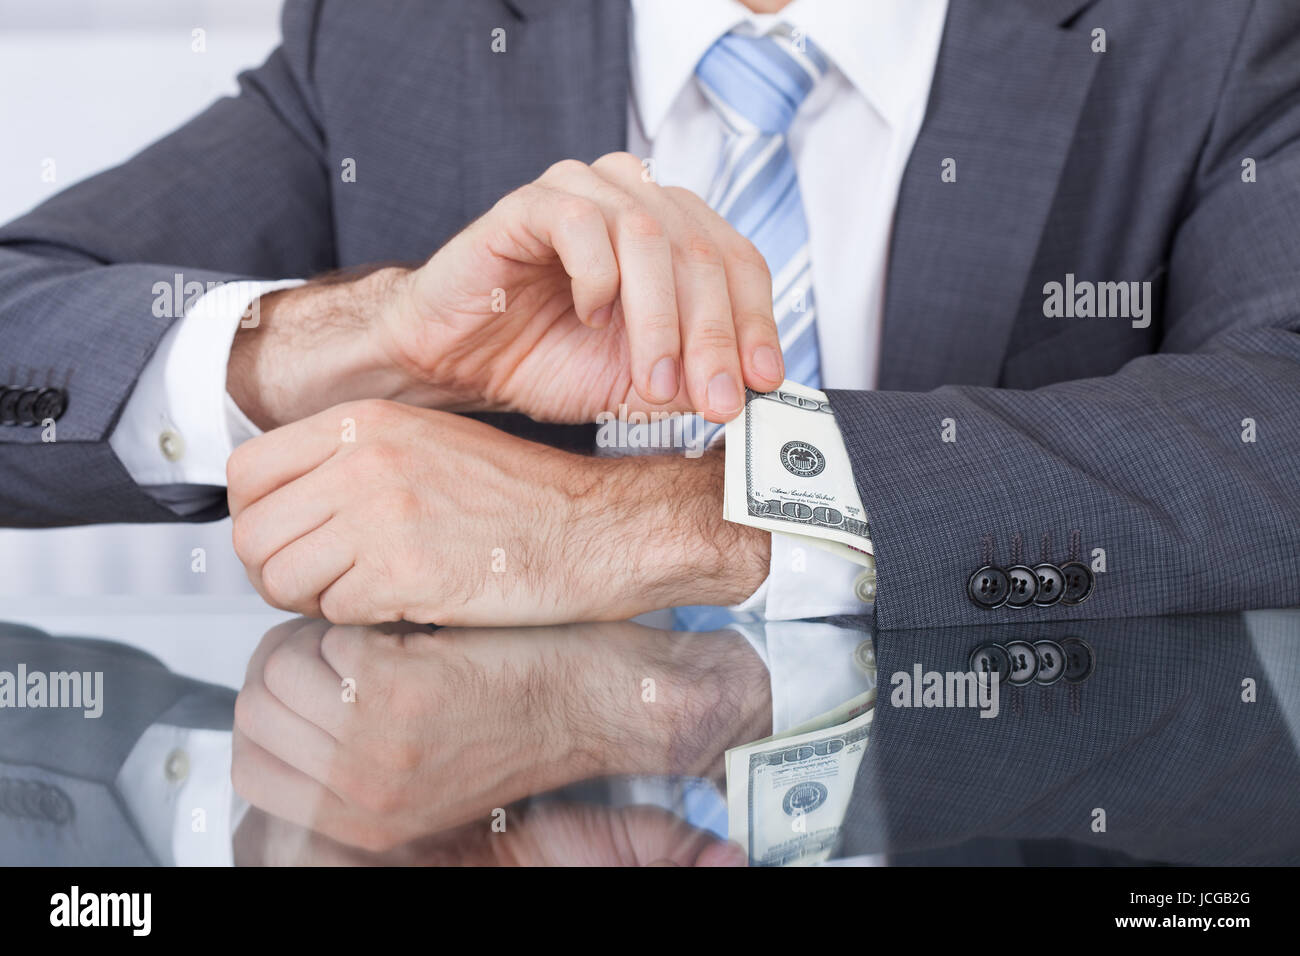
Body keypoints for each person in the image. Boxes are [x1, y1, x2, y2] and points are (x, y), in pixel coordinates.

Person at [1, 0, 1298, 629]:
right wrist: (373, 335)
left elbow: (1277, 433)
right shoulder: (409, 35)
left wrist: (652, 524)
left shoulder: (1210, 32)